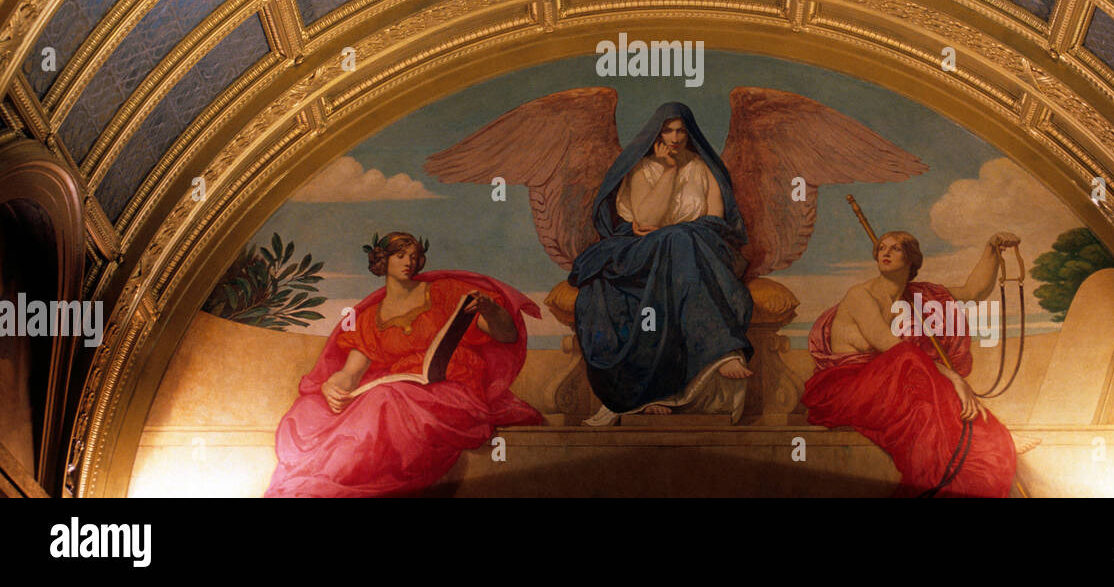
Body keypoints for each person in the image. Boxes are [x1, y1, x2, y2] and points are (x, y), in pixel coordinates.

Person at [265, 231, 542, 497]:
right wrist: (331, 386)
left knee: (384, 398)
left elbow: (507, 335)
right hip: (401, 390)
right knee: (309, 410)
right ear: (382, 260)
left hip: (454, 391)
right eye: (400, 255)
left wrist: (490, 309)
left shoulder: (445, 292)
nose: (409, 261)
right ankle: (322, 482)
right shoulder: (369, 318)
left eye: (414, 255)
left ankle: (329, 484)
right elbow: (350, 373)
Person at [570, 102, 754, 424]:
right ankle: (721, 349)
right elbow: (646, 219)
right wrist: (669, 171)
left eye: (681, 130)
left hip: (696, 247)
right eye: (667, 130)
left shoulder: (702, 167)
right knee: (676, 240)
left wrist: (675, 230)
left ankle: (682, 379)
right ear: (656, 133)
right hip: (641, 251)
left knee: (680, 239)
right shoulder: (642, 169)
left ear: (689, 133)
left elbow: (716, 221)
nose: (674, 137)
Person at [801, 229, 1019, 497]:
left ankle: (977, 449)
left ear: (911, 259)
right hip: (846, 390)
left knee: (926, 411)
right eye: (882, 248)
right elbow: (894, 348)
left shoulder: (918, 296)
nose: (886, 253)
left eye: (895, 249)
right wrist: (955, 378)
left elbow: (973, 291)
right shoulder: (861, 296)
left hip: (885, 388)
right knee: (909, 359)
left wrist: (992, 246)